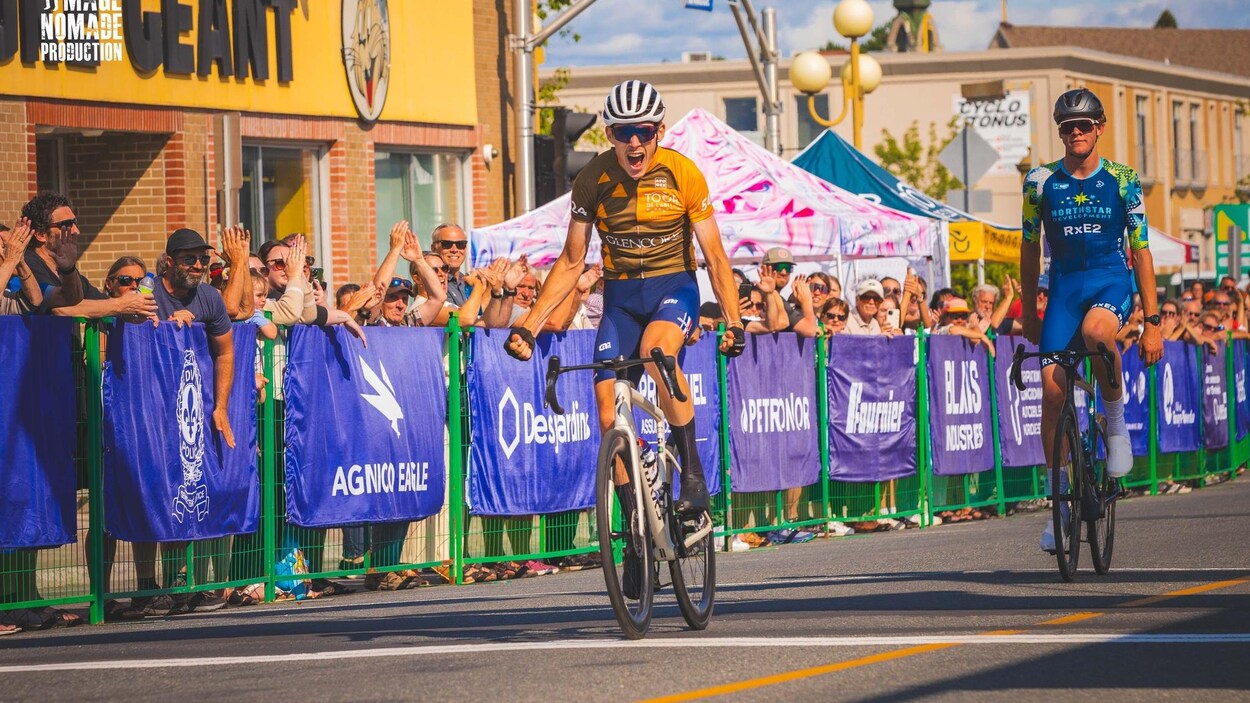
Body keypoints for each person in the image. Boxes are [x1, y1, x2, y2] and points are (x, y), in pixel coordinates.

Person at [503, 79, 744, 532]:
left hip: (674, 288)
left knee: (658, 352)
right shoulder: (591, 179)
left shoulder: (683, 173)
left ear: (660, 131)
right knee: (607, 411)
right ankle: (634, 528)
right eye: (623, 132)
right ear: (609, 134)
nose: (635, 142)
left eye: (644, 132)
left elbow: (714, 255)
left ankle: (692, 474)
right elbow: (573, 259)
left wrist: (734, 320)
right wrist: (530, 326)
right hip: (620, 298)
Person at [1020, 88, 1162, 553]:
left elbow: (1140, 250)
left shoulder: (1123, 179)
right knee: (1051, 389)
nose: (1075, 133)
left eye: (1083, 125)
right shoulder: (1039, 182)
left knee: (1097, 333)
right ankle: (1059, 507)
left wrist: (1154, 319)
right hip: (1063, 289)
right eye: (1066, 126)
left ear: (1099, 128)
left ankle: (1117, 422)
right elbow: (1028, 249)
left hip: (1108, 282)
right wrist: (1027, 313)